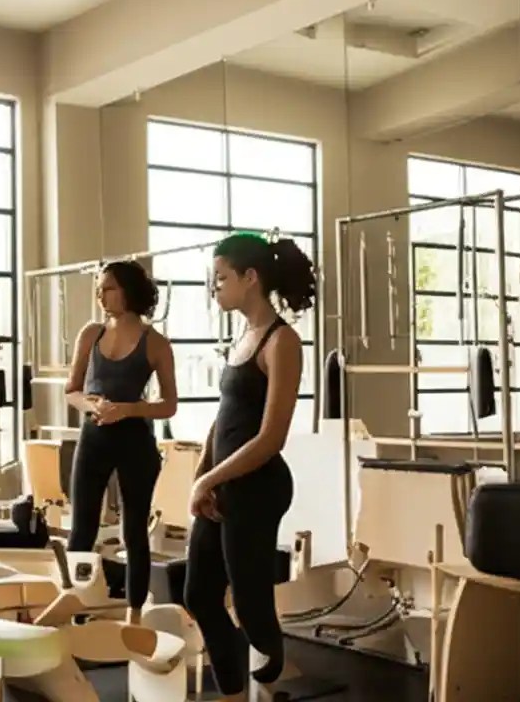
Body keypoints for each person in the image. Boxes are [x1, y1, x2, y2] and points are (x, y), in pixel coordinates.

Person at [182, 232, 316, 701]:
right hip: (223, 484)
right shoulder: (242, 337)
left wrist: (210, 477)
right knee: (198, 595)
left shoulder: (283, 342)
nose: (214, 288)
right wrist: (203, 469)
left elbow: (270, 436)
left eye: (221, 278)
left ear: (250, 278)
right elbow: (225, 415)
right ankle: (234, 692)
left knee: (251, 606)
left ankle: (268, 645)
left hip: (258, 486)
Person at [63, 260, 178, 622]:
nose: (100, 294)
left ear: (128, 291)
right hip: (94, 437)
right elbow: (72, 390)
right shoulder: (90, 334)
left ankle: (135, 615)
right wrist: (90, 403)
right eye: (99, 287)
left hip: (135, 443)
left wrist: (127, 410)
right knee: (82, 528)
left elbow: (169, 405)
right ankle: (69, 609)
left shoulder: (155, 343)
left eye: (108, 287)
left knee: (134, 532)